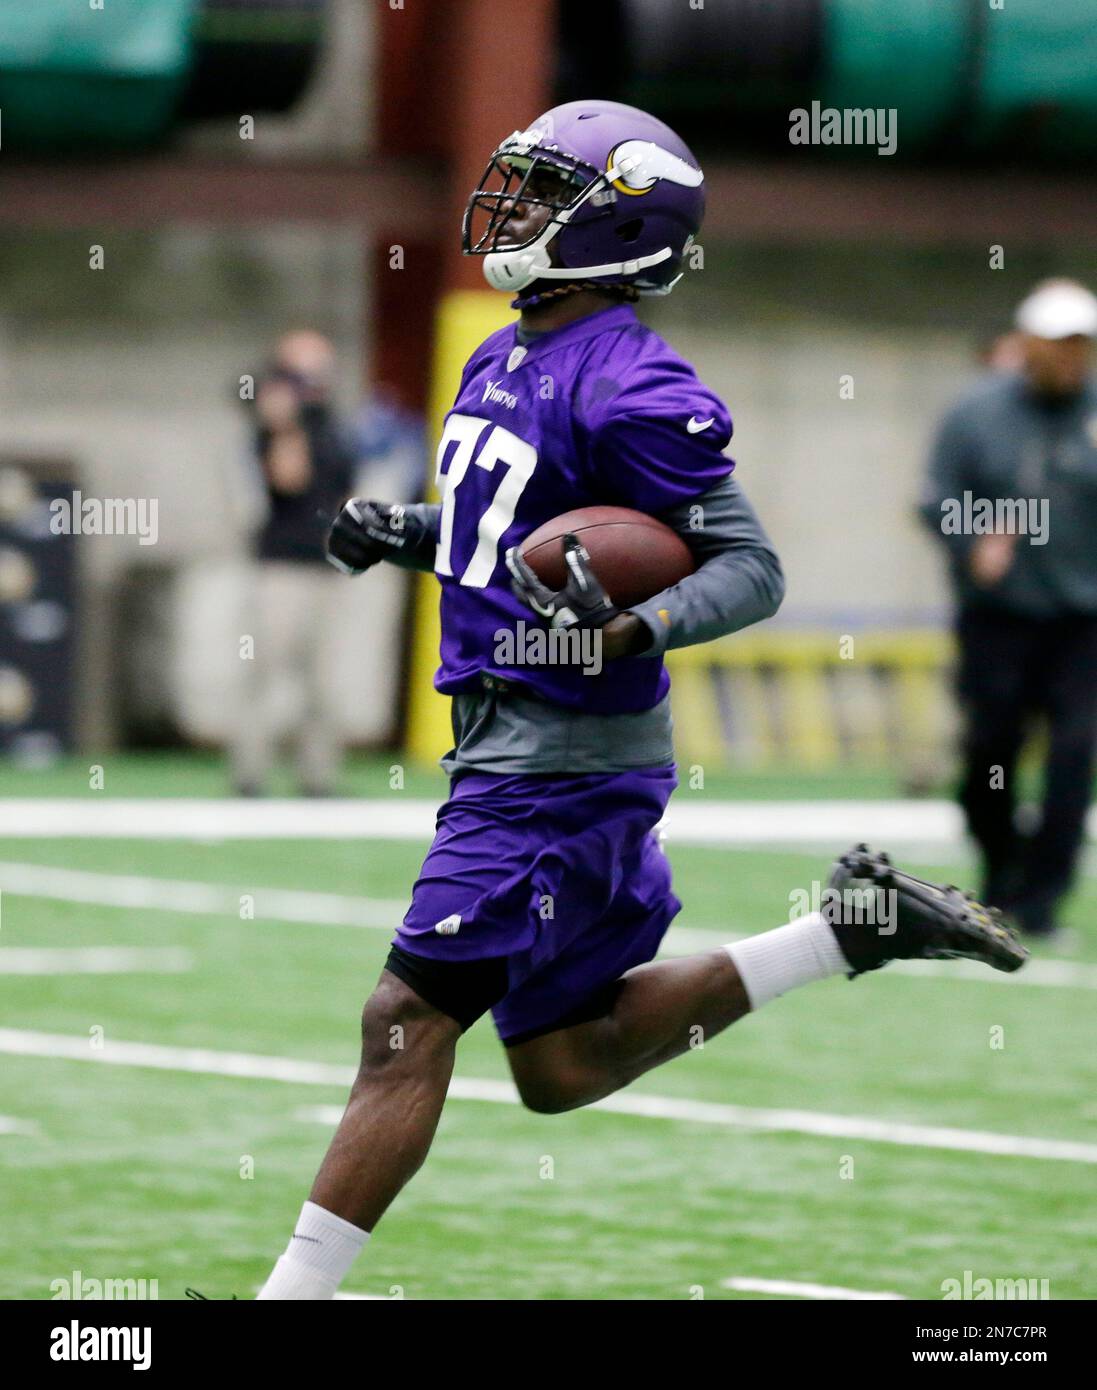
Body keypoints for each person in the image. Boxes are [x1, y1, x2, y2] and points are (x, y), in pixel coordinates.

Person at [252, 101, 1025, 1300]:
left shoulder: (634, 382)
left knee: (403, 1016)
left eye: (540, 188)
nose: (506, 206)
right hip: (510, 739)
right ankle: (848, 929)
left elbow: (749, 567)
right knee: (563, 1060)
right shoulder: (502, 347)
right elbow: (506, 529)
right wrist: (403, 532)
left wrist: (632, 622)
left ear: (612, 223)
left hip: (560, 759)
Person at [922, 279, 1097, 938]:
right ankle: (1001, 873)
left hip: (1082, 624)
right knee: (989, 751)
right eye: (1058, 343)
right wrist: (975, 538)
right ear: (1027, 344)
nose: (1070, 357)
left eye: (1080, 344)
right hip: (997, 620)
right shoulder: (976, 413)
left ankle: (1043, 899)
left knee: (1075, 756)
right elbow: (932, 497)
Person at [230, 330, 357, 797]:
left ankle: (318, 779)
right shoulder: (274, 425)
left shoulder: (332, 425)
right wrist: (283, 425)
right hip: (281, 567)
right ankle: (249, 777)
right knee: (264, 673)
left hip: (326, 566)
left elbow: (344, 487)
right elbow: (289, 479)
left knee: (325, 683)